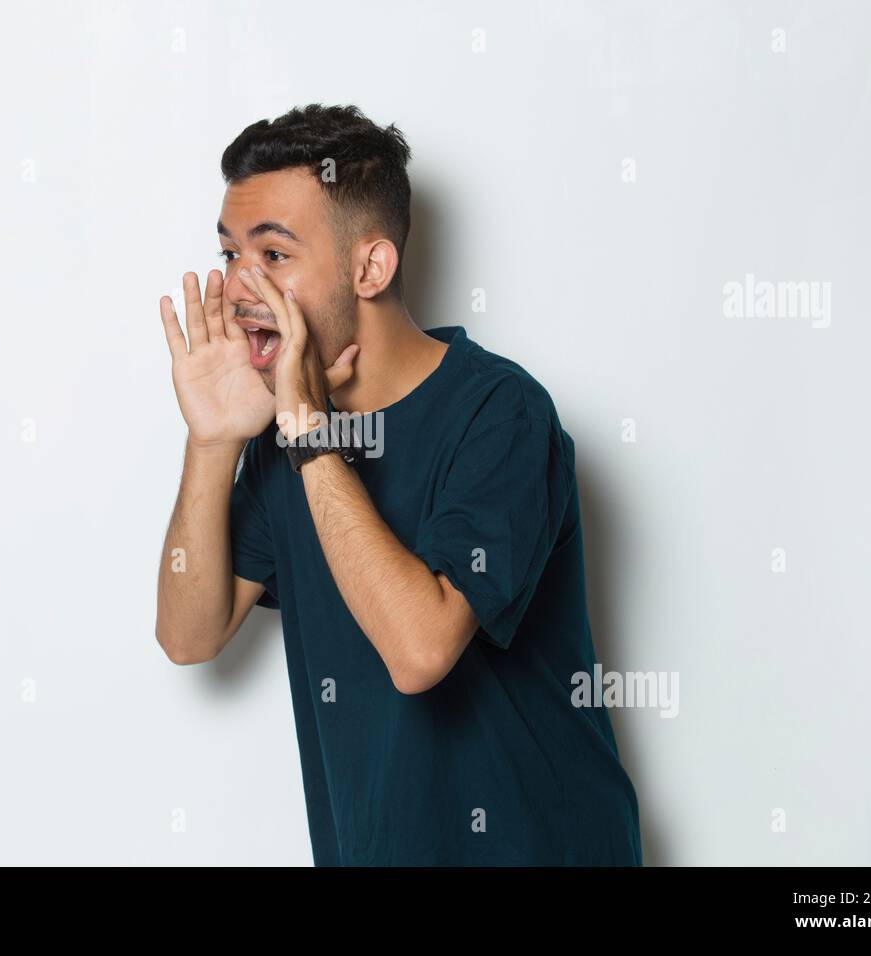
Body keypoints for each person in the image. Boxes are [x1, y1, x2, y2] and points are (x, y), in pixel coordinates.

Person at [155, 104, 642, 866]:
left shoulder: (501, 413)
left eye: (274, 255)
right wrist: (214, 440)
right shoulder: (288, 429)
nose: (240, 288)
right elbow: (188, 636)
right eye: (229, 257)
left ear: (372, 268)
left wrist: (311, 437)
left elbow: (420, 652)